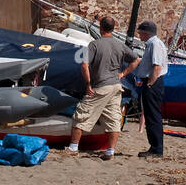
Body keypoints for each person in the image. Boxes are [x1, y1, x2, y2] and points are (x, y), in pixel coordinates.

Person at [67, 16, 139, 160]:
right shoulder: (120, 45)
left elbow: (84, 65)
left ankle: (73, 147)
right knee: (113, 119)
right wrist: (123, 74)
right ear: (113, 28)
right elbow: (136, 59)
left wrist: (88, 84)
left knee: (81, 115)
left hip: (101, 86)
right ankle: (110, 151)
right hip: (116, 87)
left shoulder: (94, 45)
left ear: (100, 27)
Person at [134, 20, 168, 158]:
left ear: (145, 33)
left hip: (153, 83)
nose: (139, 35)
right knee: (150, 115)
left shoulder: (154, 44)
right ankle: (154, 147)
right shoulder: (152, 44)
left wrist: (149, 83)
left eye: (140, 32)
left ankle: (157, 148)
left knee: (153, 115)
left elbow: (157, 66)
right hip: (150, 81)